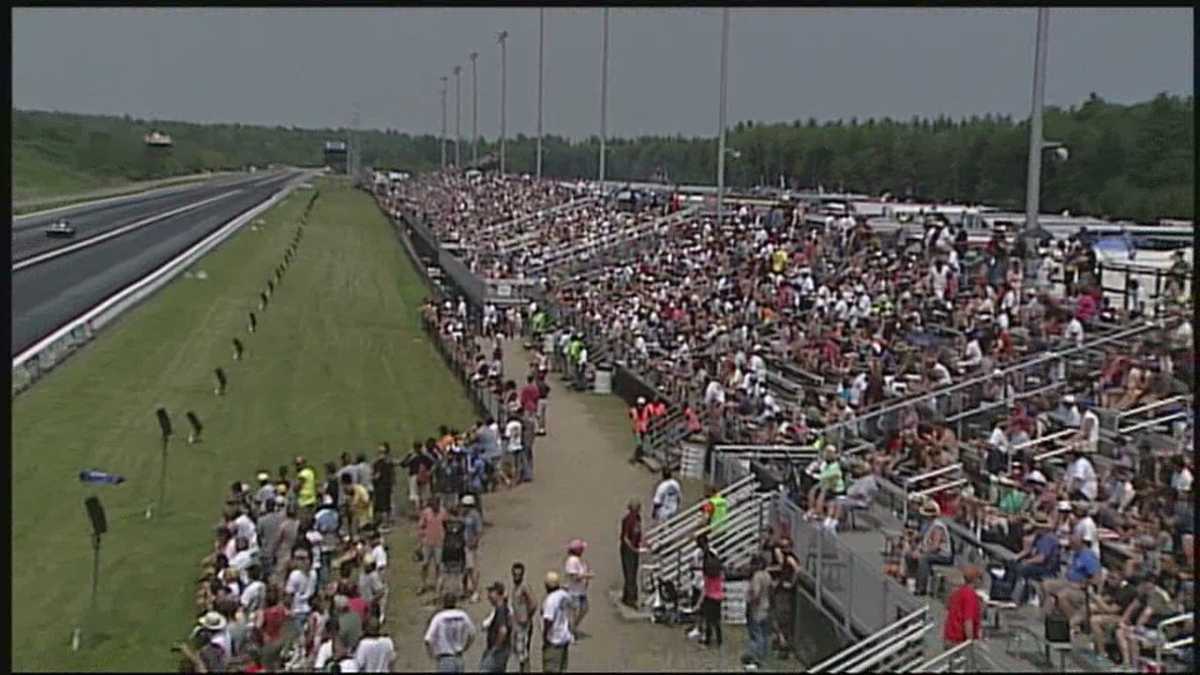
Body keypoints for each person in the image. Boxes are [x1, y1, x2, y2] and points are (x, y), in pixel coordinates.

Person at [1042, 532, 1102, 632]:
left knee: (1063, 595)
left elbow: (1096, 579)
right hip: (1068, 582)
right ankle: (1051, 615)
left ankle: (1073, 622)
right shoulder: (1075, 554)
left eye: (1072, 543)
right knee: (1047, 585)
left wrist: (1081, 585)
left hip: (1082, 589)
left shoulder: (1088, 556)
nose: (1071, 545)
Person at [909, 500, 954, 596]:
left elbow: (935, 546)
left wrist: (921, 552)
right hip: (931, 551)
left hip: (943, 555)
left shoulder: (938, 526)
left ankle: (921, 587)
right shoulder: (928, 524)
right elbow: (922, 538)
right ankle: (911, 579)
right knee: (909, 555)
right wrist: (916, 547)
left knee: (923, 559)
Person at [423, 592, 476, 674]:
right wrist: (466, 647)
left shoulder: (439, 617)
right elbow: (472, 634)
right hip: (458, 657)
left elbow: (427, 639)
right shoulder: (462, 615)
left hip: (445, 657)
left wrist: (432, 654)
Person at [742, 555, 772, 670]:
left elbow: (756, 593)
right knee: (764, 635)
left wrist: (750, 603)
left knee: (755, 635)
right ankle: (762, 657)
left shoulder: (757, 577)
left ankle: (755, 659)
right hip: (766, 607)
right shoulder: (767, 575)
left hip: (757, 609)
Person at [943, 565, 983, 647]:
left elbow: (948, 607)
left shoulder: (959, 592)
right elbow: (968, 621)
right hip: (958, 641)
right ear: (976, 580)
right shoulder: (970, 595)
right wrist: (970, 642)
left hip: (949, 637)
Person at [541, 571, 573, 673]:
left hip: (554, 640)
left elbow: (548, 621)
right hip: (564, 637)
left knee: (551, 668)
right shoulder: (564, 595)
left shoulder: (551, 600)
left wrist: (545, 636)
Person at [509, 562, 538, 674]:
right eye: (514, 574)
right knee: (519, 652)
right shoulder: (515, 587)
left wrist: (527, 617)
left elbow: (534, 603)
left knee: (523, 653)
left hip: (523, 624)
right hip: (517, 624)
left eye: (518, 575)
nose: (516, 577)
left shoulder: (524, 587)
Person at [563, 539, 594, 637]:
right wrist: (587, 576)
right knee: (574, 612)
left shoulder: (579, 560)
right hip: (574, 592)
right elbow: (574, 577)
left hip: (581, 591)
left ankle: (572, 628)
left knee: (584, 609)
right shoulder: (572, 561)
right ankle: (569, 631)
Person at [417, 497, 448, 595]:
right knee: (425, 564)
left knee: (438, 564)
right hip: (427, 542)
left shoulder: (443, 512)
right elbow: (421, 526)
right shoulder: (426, 512)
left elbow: (446, 525)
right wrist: (421, 539)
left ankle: (438, 584)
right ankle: (422, 584)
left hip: (439, 542)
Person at [480, 581, 512, 673]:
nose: (488, 596)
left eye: (491, 592)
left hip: (498, 651)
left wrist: (495, 648)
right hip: (503, 650)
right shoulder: (503, 609)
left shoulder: (501, 610)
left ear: (498, 594)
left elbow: (503, 631)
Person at [619, 499, 643, 609]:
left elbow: (639, 533)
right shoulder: (628, 520)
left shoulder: (638, 519)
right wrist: (633, 548)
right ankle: (631, 599)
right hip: (628, 550)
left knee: (633, 572)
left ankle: (627, 595)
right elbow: (625, 538)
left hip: (635, 549)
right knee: (630, 574)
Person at [700, 547, 725, 648]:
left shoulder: (708, 575)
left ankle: (708, 641)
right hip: (718, 597)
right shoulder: (719, 574)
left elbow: (705, 589)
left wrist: (699, 603)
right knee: (717, 620)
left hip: (710, 597)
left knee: (709, 621)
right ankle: (719, 640)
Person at [461, 495, 483, 603]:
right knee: (466, 569)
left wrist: (474, 542)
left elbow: (479, 531)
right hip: (464, 545)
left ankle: (475, 591)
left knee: (471, 569)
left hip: (472, 546)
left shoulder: (475, 516)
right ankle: (465, 589)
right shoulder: (464, 516)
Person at [372, 443, 395, 527]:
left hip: (381, 487)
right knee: (387, 504)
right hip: (387, 486)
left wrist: (373, 479)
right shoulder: (389, 462)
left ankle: (384, 522)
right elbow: (392, 475)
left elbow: (377, 476)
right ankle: (387, 521)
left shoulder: (378, 463)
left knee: (382, 505)